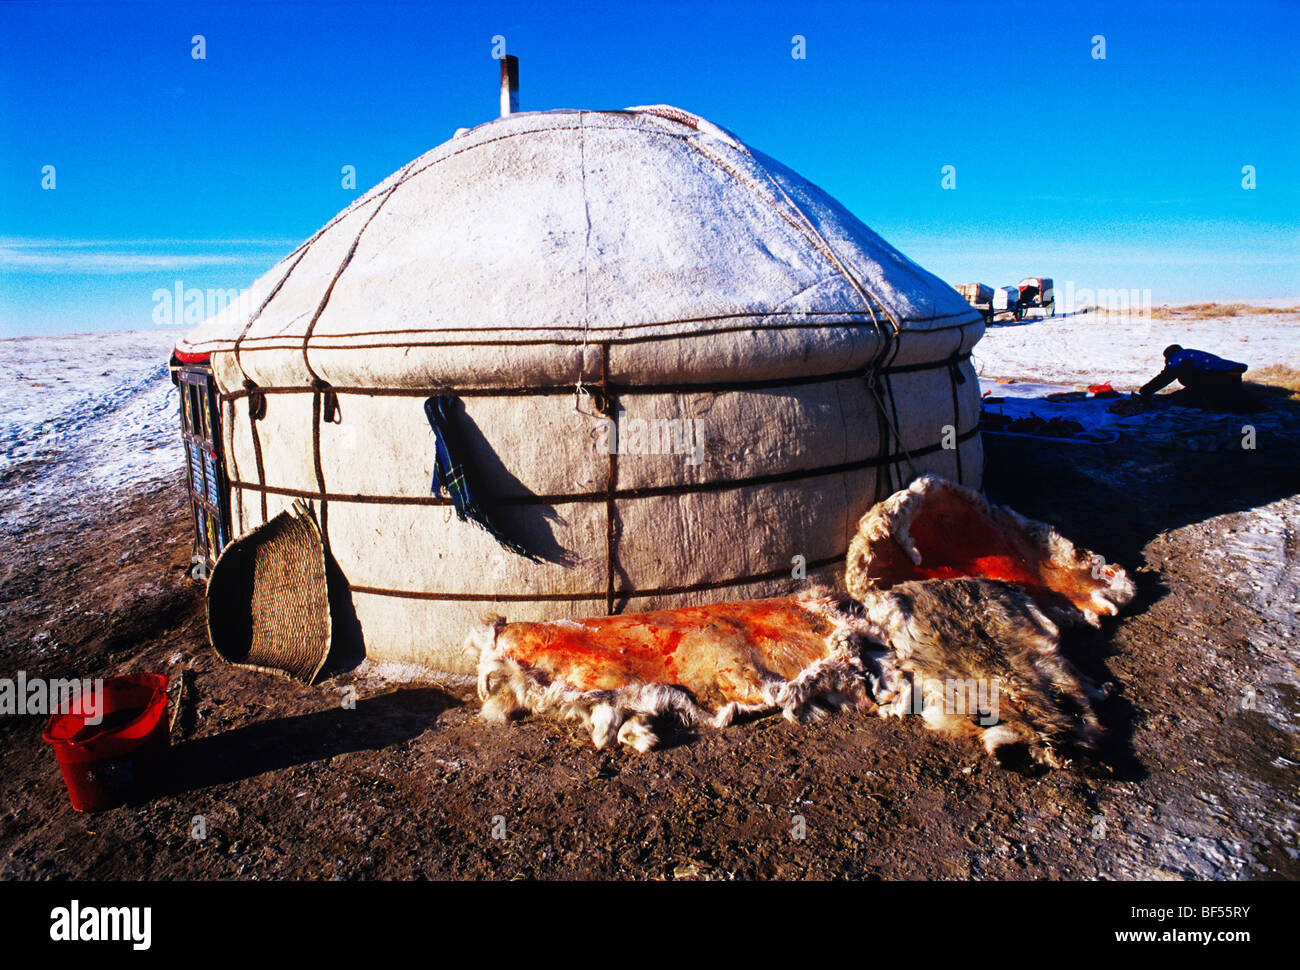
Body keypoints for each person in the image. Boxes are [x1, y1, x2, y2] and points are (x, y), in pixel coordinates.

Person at [1138, 344, 1254, 412]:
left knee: (1189, 385)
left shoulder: (1179, 357)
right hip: (1231, 376)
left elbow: (1166, 377)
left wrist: (1145, 391)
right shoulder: (1191, 355)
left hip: (1220, 379)